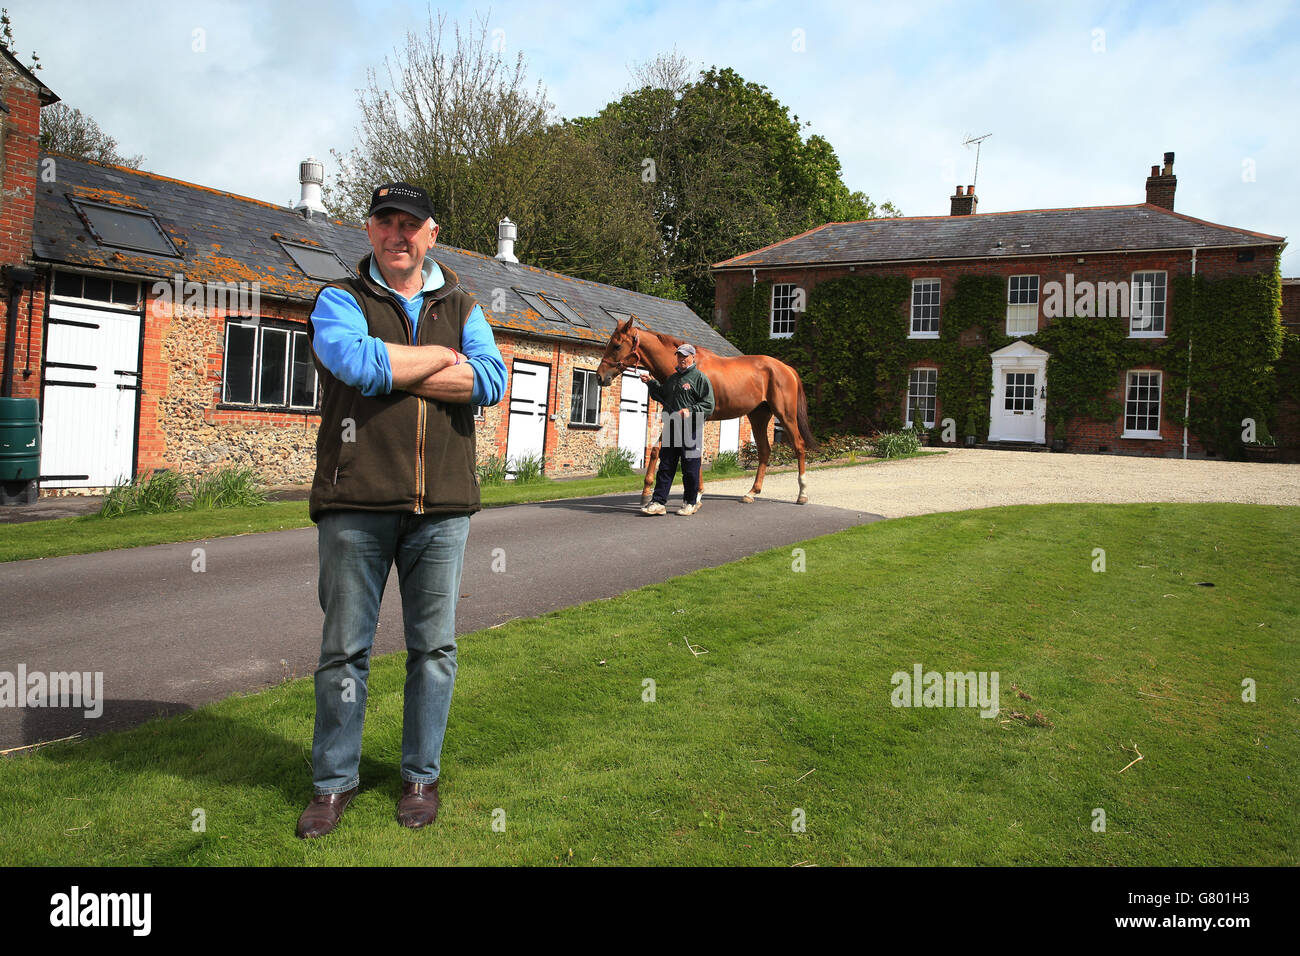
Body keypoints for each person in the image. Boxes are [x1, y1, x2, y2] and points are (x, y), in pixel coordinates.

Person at [296, 181, 507, 838]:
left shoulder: (464, 302)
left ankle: (421, 776)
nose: (398, 235)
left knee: (434, 650)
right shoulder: (339, 298)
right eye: (386, 222)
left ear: (431, 234)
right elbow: (353, 363)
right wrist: (446, 363)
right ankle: (333, 783)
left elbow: (493, 380)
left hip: (441, 510)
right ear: (369, 230)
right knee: (344, 653)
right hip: (353, 504)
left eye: (410, 225)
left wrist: (400, 365)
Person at [640, 343, 715, 516]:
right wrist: (650, 383)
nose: (681, 359)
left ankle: (690, 502)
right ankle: (658, 502)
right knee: (666, 465)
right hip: (672, 425)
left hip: (691, 428)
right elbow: (661, 394)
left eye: (685, 356)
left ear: (692, 357)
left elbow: (709, 404)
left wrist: (690, 410)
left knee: (690, 467)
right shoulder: (673, 379)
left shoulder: (699, 378)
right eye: (679, 356)